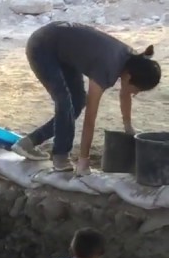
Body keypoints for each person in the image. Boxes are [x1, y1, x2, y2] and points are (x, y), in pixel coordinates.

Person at [14, 21, 161, 174]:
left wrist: (129, 127)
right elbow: (90, 119)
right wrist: (84, 161)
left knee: (77, 100)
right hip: (42, 46)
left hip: (62, 50)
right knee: (65, 101)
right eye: (136, 89)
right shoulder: (107, 68)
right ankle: (61, 156)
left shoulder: (131, 61)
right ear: (129, 77)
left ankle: (28, 142)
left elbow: (125, 94)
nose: (135, 94)